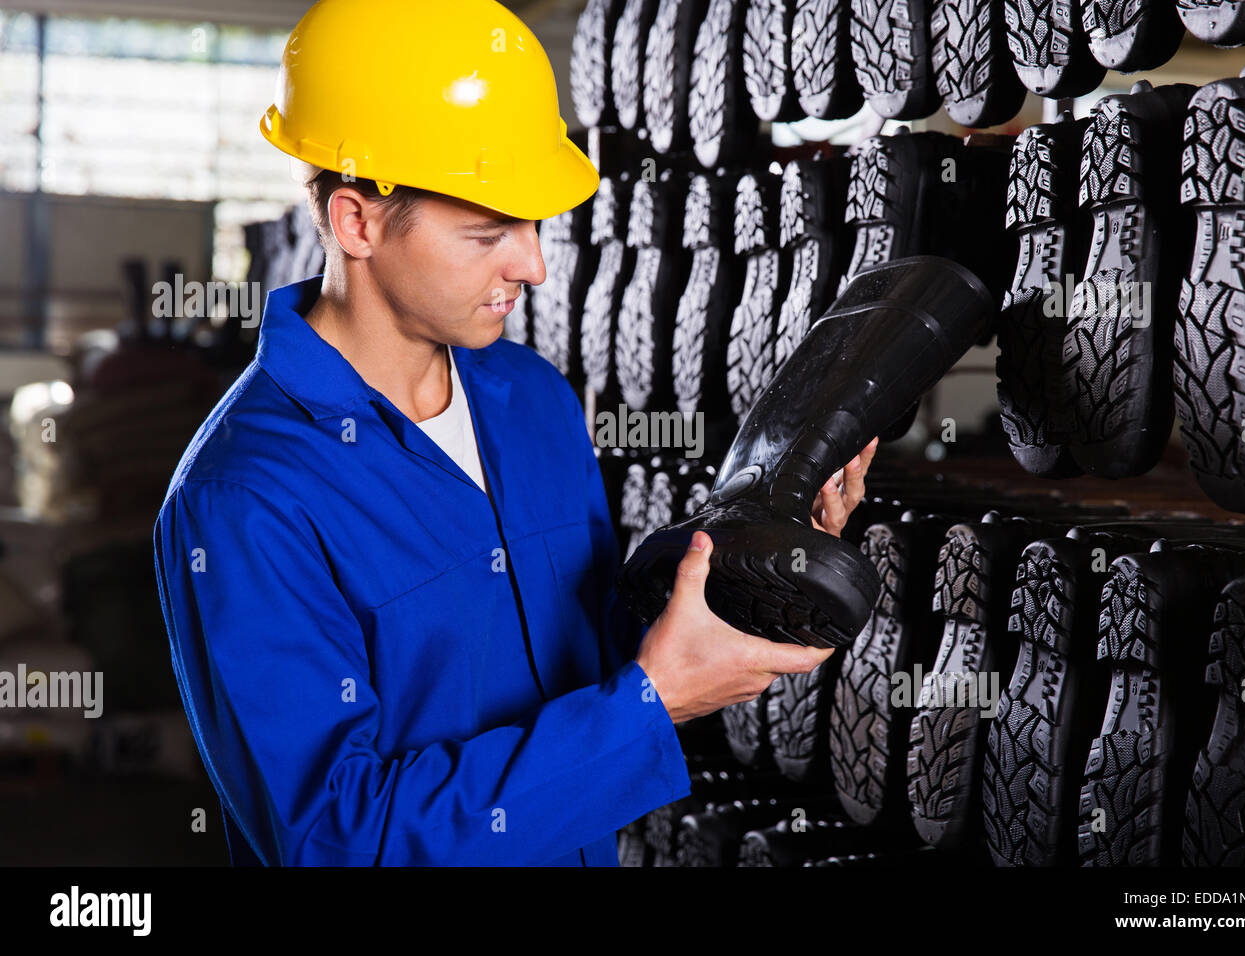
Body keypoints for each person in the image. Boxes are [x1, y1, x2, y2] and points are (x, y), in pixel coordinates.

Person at [152, 0, 878, 866]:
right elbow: (332, 838)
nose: (532, 265)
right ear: (357, 222)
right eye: (488, 232)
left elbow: (589, 653)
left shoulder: (532, 398)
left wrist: (749, 565)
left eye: (533, 225)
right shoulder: (246, 498)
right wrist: (649, 705)